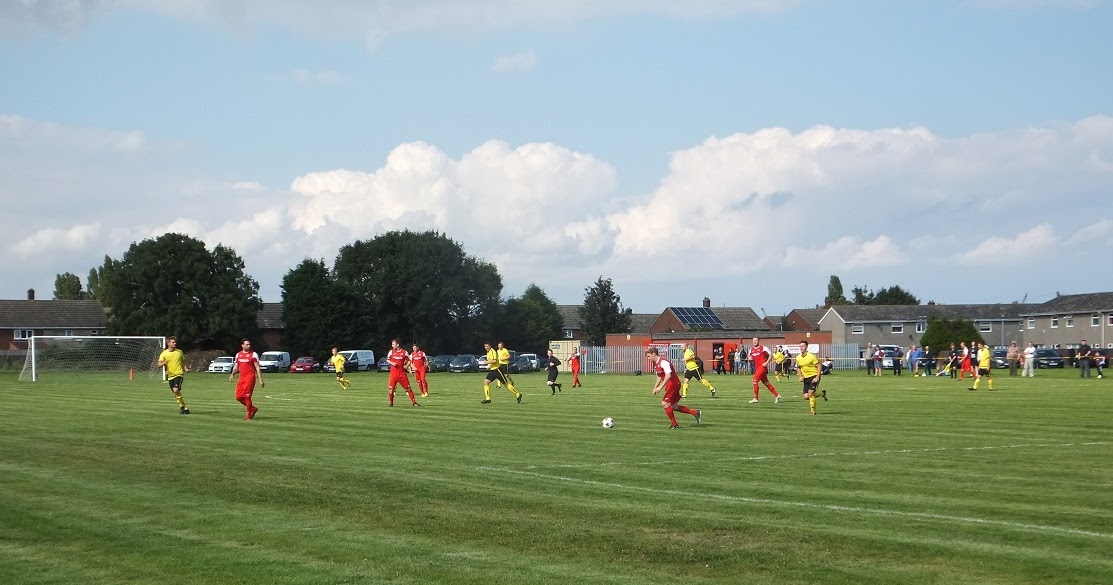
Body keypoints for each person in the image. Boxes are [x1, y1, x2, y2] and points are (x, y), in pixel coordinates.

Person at [645, 346, 701, 429]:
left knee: (665, 403)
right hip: (670, 385)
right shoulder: (656, 364)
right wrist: (655, 388)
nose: (648, 358)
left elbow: (668, 375)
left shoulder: (663, 362)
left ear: (653, 354)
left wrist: (660, 387)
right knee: (674, 406)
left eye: (649, 356)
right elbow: (659, 376)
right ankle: (695, 413)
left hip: (673, 384)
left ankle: (674, 424)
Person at [229, 338, 264, 420]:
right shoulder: (238, 354)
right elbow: (236, 366)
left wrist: (260, 379)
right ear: (242, 345)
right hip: (241, 378)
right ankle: (253, 408)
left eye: (249, 344)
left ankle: (248, 415)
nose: (249, 346)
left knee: (247, 396)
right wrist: (232, 375)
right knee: (238, 397)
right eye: (247, 344)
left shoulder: (253, 354)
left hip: (250, 378)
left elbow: (257, 367)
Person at [156, 336, 191, 414]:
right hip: (170, 376)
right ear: (168, 343)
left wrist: (185, 368)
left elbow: (183, 361)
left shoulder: (179, 352)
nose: (175, 344)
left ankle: (183, 407)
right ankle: (183, 407)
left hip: (179, 374)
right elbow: (158, 364)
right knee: (176, 393)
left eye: (175, 342)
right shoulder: (164, 353)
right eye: (173, 342)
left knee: (176, 390)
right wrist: (163, 363)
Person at [386, 339, 420, 407]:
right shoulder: (391, 352)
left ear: (397, 344)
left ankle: (414, 402)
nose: (392, 346)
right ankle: (391, 403)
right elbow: (387, 360)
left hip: (402, 374)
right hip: (393, 374)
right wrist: (392, 363)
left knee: (408, 388)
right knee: (391, 389)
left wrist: (407, 365)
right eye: (392, 344)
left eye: (393, 344)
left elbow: (409, 360)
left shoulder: (404, 352)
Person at [747, 337, 781, 404]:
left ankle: (755, 398)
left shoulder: (763, 348)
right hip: (757, 368)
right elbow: (748, 357)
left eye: (756, 340)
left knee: (754, 381)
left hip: (762, 368)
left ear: (759, 341)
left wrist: (766, 362)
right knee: (766, 383)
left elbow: (771, 355)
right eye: (754, 341)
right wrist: (749, 359)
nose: (755, 342)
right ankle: (777, 395)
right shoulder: (751, 350)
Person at [796, 341, 823, 415]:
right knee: (806, 397)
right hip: (806, 378)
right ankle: (821, 393)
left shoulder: (811, 356)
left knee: (810, 393)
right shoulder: (798, 357)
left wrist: (817, 377)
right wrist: (800, 376)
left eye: (803, 346)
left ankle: (813, 411)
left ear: (806, 347)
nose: (801, 348)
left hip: (814, 376)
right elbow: (798, 367)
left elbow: (819, 366)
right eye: (800, 346)